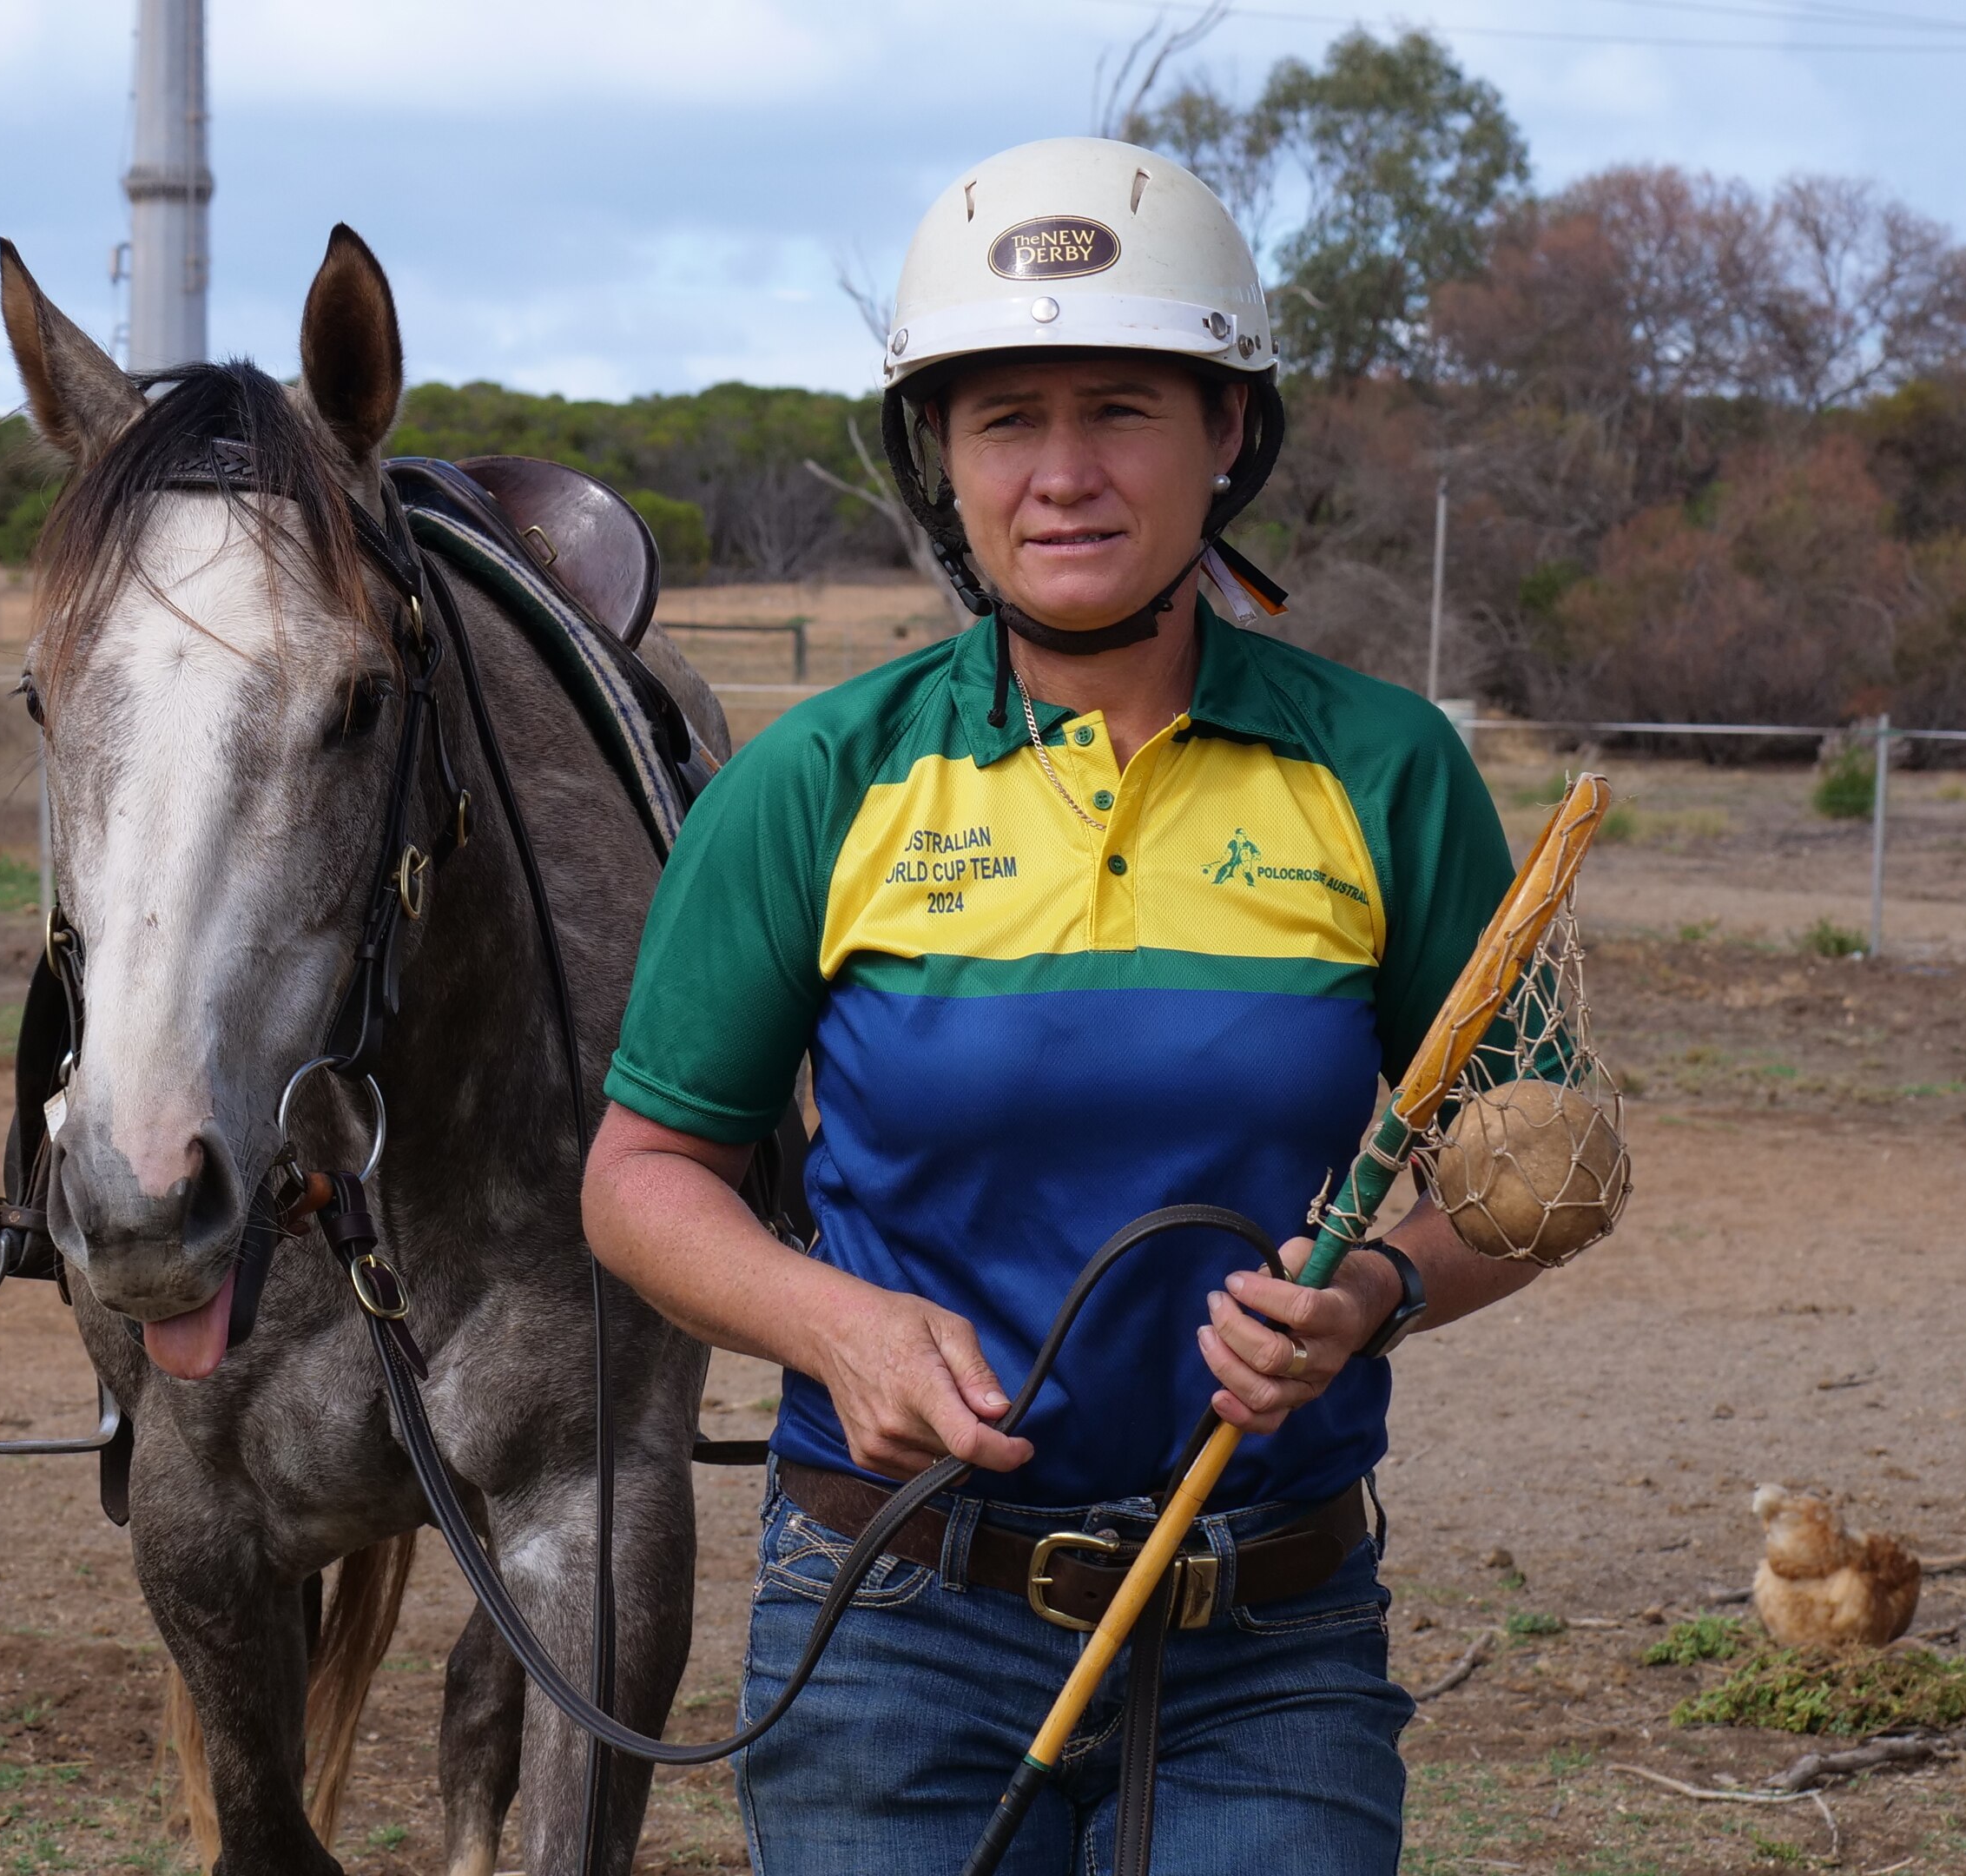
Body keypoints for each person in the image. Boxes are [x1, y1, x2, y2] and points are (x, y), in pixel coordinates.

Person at [583, 137, 1542, 1876]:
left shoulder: (1387, 770)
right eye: (1006, 419)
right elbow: (641, 1179)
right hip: (891, 1626)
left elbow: (1544, 1156)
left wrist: (1378, 1292)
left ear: (1227, 429)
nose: (1064, 473)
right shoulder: (815, 783)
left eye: (1122, 410)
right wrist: (835, 1327)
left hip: (1272, 1642)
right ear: (940, 459)